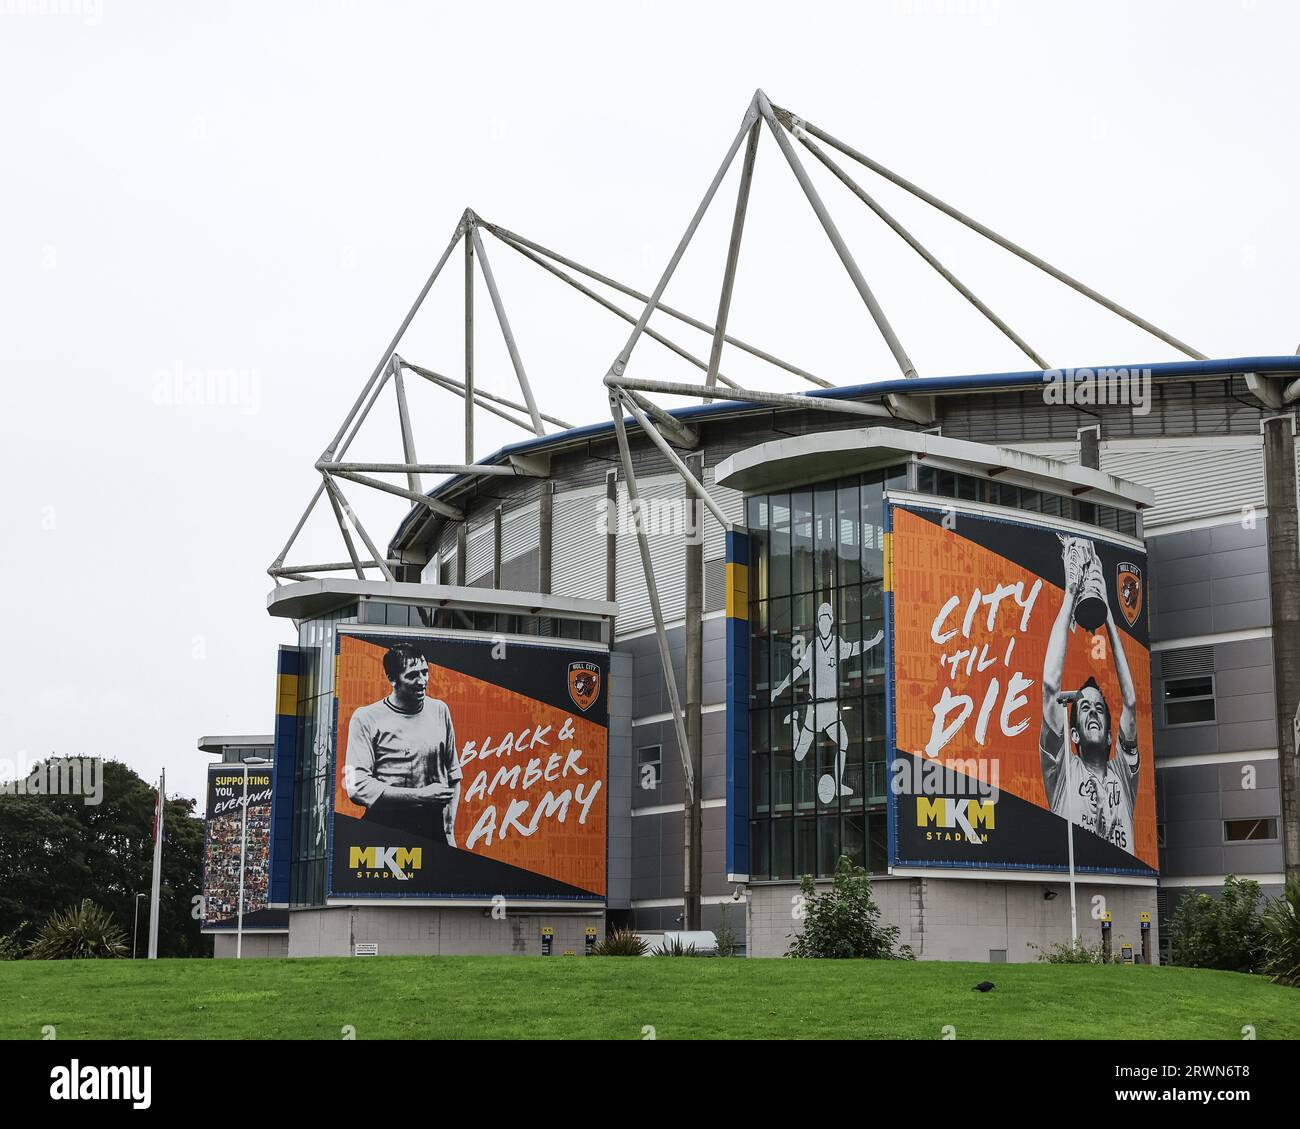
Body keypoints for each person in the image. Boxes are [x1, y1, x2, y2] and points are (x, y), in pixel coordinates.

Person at [1039, 539, 1140, 853]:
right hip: (1069, 876)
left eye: (1098, 707)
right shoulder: (1062, 772)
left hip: (1120, 873)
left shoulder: (1123, 775)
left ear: (1112, 736)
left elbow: (1131, 702)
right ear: (1072, 734)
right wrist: (1071, 594)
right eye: (1084, 707)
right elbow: (1050, 686)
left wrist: (1108, 615)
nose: (1094, 711)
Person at [343, 642, 462, 845]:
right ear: (392, 678)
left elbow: (453, 774)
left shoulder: (440, 710)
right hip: (386, 824)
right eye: (412, 675)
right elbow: (357, 786)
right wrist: (420, 796)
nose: (422, 681)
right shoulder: (366, 718)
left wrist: (449, 829)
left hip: (433, 827)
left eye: (425, 672)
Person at [770, 602, 883, 798]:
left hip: (831, 707)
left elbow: (855, 648)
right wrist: (779, 688)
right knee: (798, 755)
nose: (823, 625)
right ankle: (795, 719)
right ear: (818, 623)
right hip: (815, 708)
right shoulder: (813, 647)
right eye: (820, 621)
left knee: (844, 741)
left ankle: (838, 785)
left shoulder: (837, 644)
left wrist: (873, 642)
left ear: (830, 622)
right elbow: (799, 670)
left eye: (826, 621)